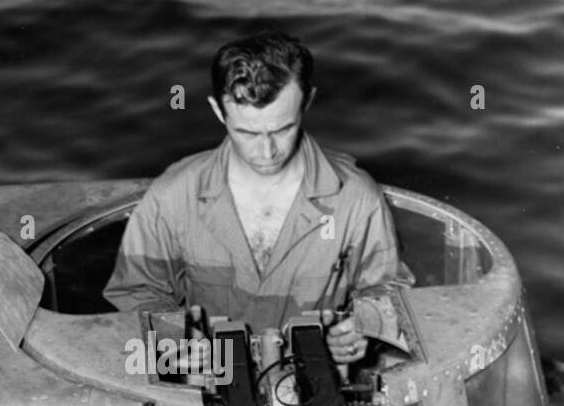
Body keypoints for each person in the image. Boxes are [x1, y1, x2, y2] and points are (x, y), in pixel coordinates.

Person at [103, 30, 410, 360]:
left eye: (282, 129)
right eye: (247, 132)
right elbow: (137, 290)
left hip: (319, 382)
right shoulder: (173, 195)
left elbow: (388, 291)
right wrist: (175, 339)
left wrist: (363, 329)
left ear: (307, 101)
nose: (266, 152)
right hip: (209, 382)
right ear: (218, 111)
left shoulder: (356, 197)